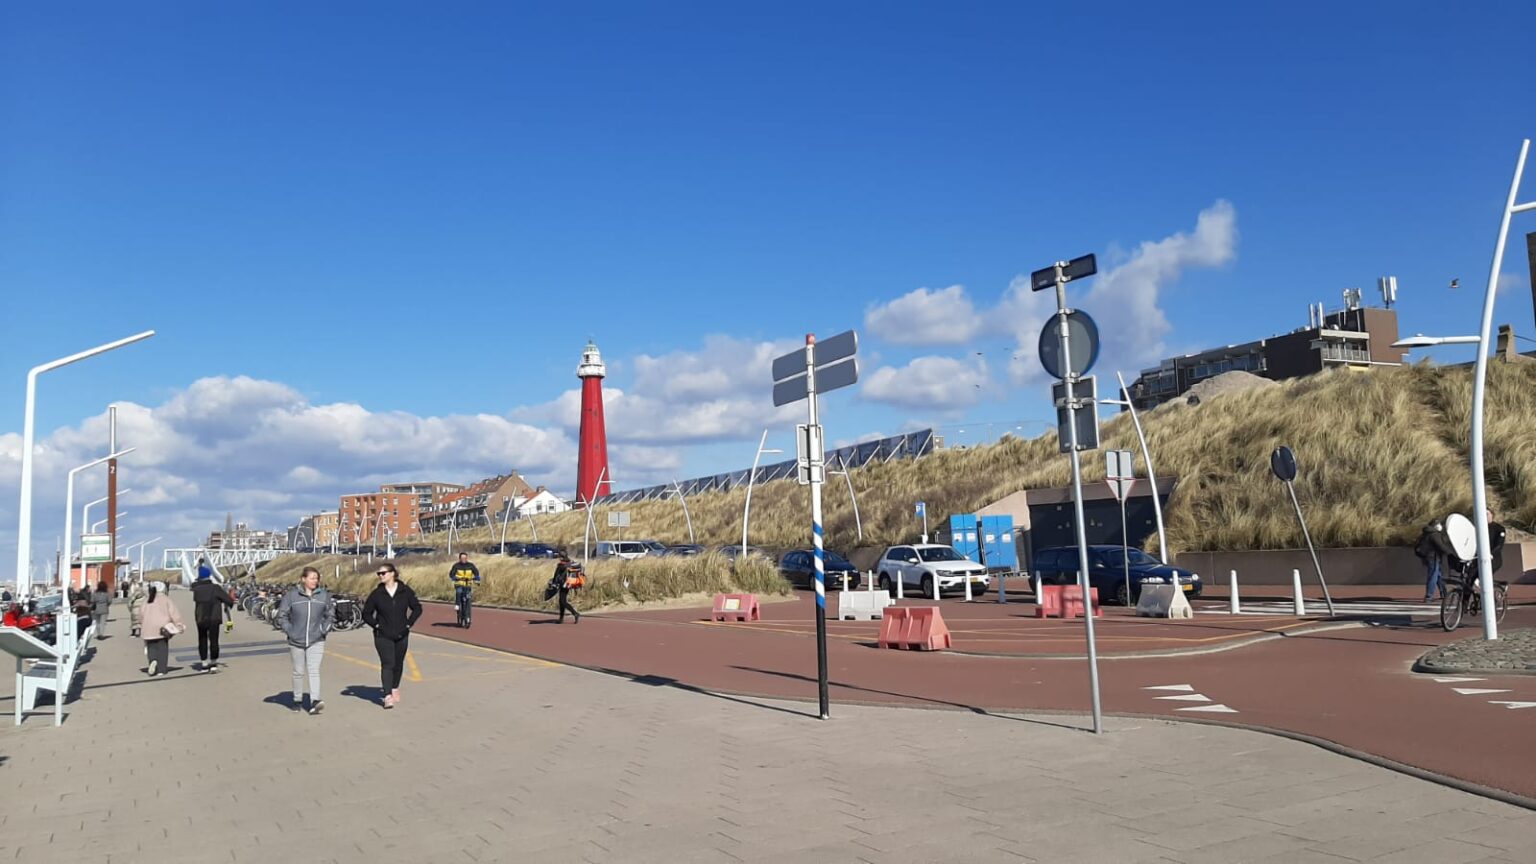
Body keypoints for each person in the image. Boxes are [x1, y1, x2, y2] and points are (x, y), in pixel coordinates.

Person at [361, 562, 421, 709]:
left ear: (392, 573)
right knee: (388, 664)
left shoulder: (404, 591)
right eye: (379, 574)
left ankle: (394, 687)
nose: (380, 576)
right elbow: (366, 614)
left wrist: (409, 623)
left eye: (383, 573)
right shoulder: (377, 594)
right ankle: (387, 696)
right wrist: (376, 625)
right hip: (382, 635)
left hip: (402, 633)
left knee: (398, 663)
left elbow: (417, 608)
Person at [279, 566, 334, 715]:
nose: (315, 581)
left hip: (316, 639)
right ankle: (297, 700)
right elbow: (282, 615)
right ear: (303, 579)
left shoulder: (323, 596)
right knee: (298, 671)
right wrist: (290, 630)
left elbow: (330, 614)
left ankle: (315, 701)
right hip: (296, 640)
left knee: (314, 670)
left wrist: (324, 629)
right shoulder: (292, 596)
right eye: (312, 578)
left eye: (316, 578)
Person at [190, 571, 235, 672]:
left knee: (202, 639)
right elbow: (228, 600)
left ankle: (204, 663)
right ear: (209, 576)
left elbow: (193, 586)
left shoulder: (197, 590)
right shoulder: (215, 588)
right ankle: (213, 663)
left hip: (200, 618)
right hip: (214, 618)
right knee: (214, 640)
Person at [138, 581, 184, 677]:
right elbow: (174, 614)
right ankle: (161, 669)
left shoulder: (147, 600)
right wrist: (179, 625)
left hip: (148, 627)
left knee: (151, 648)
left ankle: (153, 660)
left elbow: (140, 615)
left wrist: (141, 625)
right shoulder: (166, 600)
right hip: (162, 627)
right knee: (162, 648)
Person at [1414, 520, 1454, 603]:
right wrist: (1450, 553)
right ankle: (1429, 596)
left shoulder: (1426, 533)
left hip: (1427, 557)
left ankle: (1443, 593)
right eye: (1439, 524)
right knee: (1433, 576)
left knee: (1438, 575)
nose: (1440, 526)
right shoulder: (1434, 534)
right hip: (1434, 557)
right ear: (1435, 525)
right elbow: (1441, 546)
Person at [448, 552, 480, 628]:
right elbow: (451, 574)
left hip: (468, 585)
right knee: (459, 592)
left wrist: (477, 578)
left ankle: (468, 618)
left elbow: (476, 573)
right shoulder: (456, 566)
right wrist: (454, 577)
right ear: (459, 558)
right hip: (459, 583)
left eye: (465, 558)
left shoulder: (471, 565)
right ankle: (457, 605)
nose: (464, 559)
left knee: (468, 599)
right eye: (462, 558)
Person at [547, 554, 583, 624]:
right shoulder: (569, 563)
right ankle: (561, 618)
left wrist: (553, 583)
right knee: (561, 601)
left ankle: (575, 613)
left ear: (561, 557)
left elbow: (556, 576)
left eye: (559, 557)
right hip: (569, 583)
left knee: (563, 601)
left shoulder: (560, 565)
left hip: (563, 584)